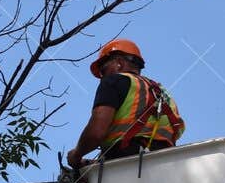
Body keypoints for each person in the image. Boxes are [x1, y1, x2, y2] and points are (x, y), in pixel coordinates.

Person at [66, 38, 185, 172]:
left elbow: (96, 133)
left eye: (103, 70)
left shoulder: (114, 81)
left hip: (130, 170)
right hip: (167, 166)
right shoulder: (162, 93)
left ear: (119, 63)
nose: (102, 77)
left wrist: (77, 155)